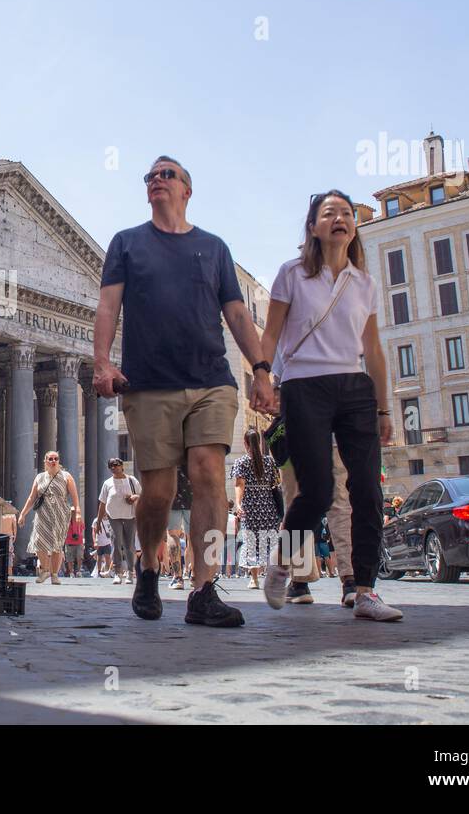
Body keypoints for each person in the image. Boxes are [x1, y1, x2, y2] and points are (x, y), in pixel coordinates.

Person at [95, 156, 274, 627]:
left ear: (187, 190)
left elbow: (237, 313)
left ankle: (204, 587)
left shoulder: (214, 248)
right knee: (158, 489)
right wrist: (101, 361)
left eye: (166, 174)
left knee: (210, 473)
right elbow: (108, 306)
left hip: (212, 379)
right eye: (150, 176)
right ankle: (149, 568)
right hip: (149, 382)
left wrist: (260, 369)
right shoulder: (126, 243)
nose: (156, 180)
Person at [256, 190, 402, 622]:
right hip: (304, 386)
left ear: (353, 227)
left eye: (347, 213)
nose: (340, 218)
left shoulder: (365, 283)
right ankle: (283, 563)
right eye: (330, 213)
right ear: (314, 227)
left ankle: (365, 590)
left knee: (368, 491)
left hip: (355, 387)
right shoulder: (292, 274)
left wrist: (384, 408)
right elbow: (271, 333)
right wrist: (261, 375)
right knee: (316, 490)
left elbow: (373, 349)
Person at [17, 451, 81, 585]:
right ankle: (45, 570)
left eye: (56, 459)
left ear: (59, 461)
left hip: (60, 514)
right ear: (45, 461)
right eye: (50, 459)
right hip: (42, 513)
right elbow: (31, 497)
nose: (53, 461)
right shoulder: (39, 477)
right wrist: (23, 514)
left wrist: (78, 512)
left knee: (56, 545)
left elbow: (74, 496)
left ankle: (54, 574)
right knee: (38, 541)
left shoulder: (66, 476)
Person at [231, 427, 282, 591]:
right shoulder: (269, 461)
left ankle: (254, 579)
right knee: (271, 543)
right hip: (268, 507)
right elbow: (276, 484)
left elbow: (240, 485)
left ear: (245, 443)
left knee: (251, 543)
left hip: (250, 508)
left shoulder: (241, 462)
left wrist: (238, 505)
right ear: (259, 442)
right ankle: (272, 577)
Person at [97, 457, 141, 585]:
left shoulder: (132, 480)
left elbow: (142, 495)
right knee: (116, 544)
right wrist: (99, 521)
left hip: (130, 516)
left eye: (116, 465)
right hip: (113, 516)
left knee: (129, 545)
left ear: (122, 466)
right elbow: (102, 503)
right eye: (111, 466)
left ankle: (130, 572)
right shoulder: (107, 483)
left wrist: (135, 497)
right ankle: (117, 572)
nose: (114, 468)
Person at [63, 514, 85, 578]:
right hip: (69, 542)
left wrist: (77, 534)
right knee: (69, 559)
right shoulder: (66, 521)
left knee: (80, 556)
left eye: (73, 512)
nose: (73, 513)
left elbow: (82, 528)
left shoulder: (79, 519)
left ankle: (78, 571)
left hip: (79, 542)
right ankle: (71, 572)